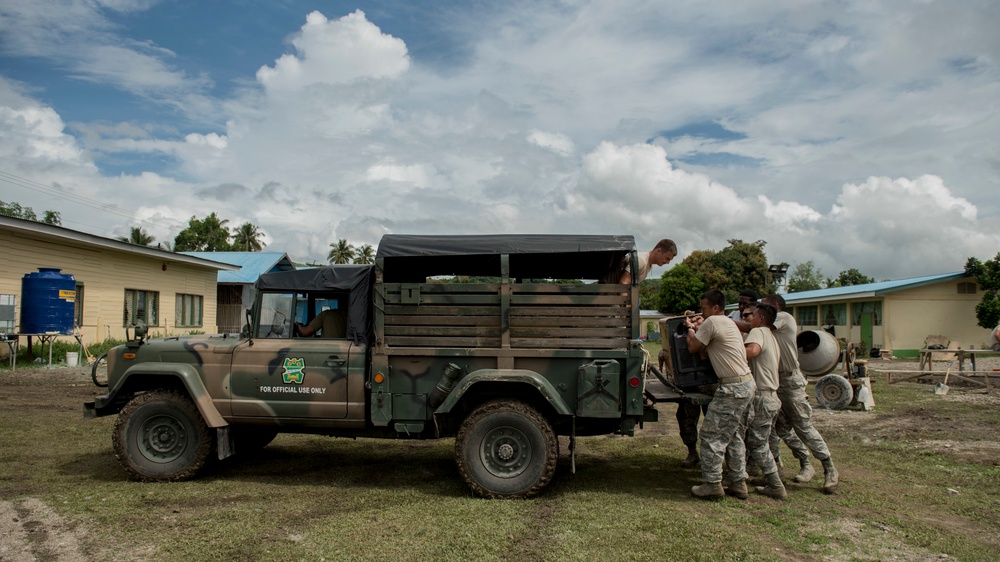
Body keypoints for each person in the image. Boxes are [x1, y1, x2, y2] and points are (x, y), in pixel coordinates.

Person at [761, 294, 840, 494]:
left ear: (776, 306)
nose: (760, 312)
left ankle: (829, 468)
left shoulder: (783, 318)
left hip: (789, 381)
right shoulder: (766, 327)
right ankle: (790, 469)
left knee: (803, 426)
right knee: (777, 429)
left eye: (764, 307)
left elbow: (756, 325)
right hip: (774, 381)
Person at [683, 290, 755, 500]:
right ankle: (738, 482)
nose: (701, 312)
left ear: (715, 308)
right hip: (746, 383)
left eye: (704, 308)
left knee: (711, 436)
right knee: (732, 435)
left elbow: (693, 347)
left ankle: (712, 484)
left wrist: (689, 328)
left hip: (732, 387)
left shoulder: (712, 321)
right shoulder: (728, 322)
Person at [731, 303, 787, 499]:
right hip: (771, 396)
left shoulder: (758, 332)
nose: (748, 318)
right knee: (765, 441)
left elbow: (752, 351)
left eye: (751, 315)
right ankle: (775, 478)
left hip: (762, 397)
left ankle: (776, 485)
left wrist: (730, 350)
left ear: (761, 319)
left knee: (757, 443)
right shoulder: (770, 334)